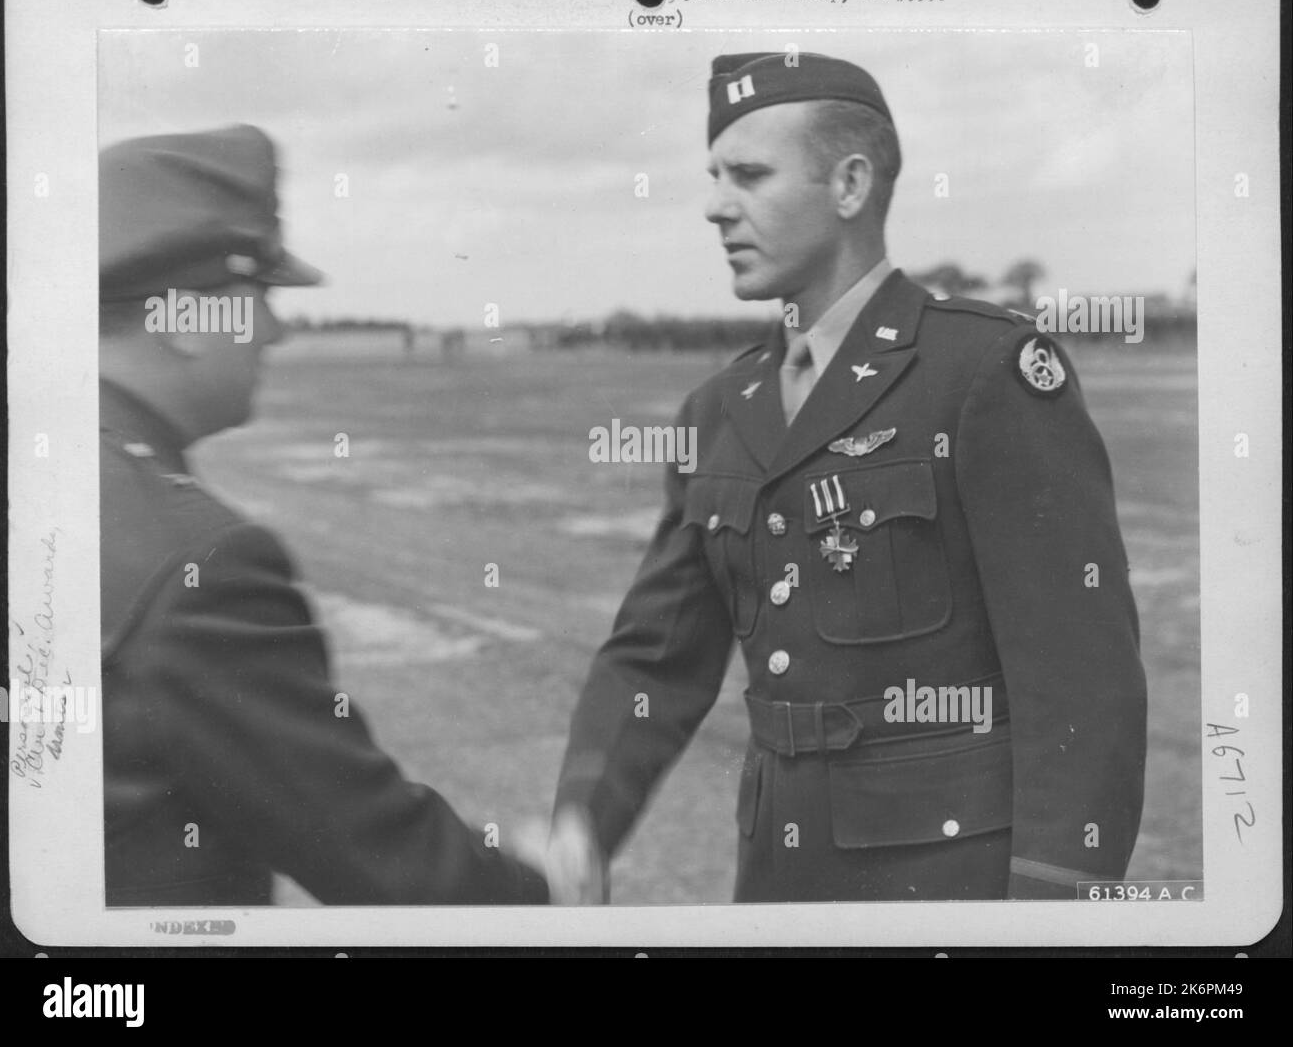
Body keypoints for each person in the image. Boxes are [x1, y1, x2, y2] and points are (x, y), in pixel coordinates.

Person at [547, 52, 1147, 902]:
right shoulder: (720, 409)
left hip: (951, 888)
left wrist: (1053, 912)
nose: (716, 206)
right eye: (714, 177)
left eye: (749, 175)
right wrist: (585, 817)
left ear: (851, 185)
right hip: (779, 883)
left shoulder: (984, 373)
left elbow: (1083, 684)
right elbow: (658, 652)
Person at [99, 124, 547, 906]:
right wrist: (541, 887)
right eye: (259, 297)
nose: (274, 329)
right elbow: (391, 872)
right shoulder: (202, 564)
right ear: (181, 320)